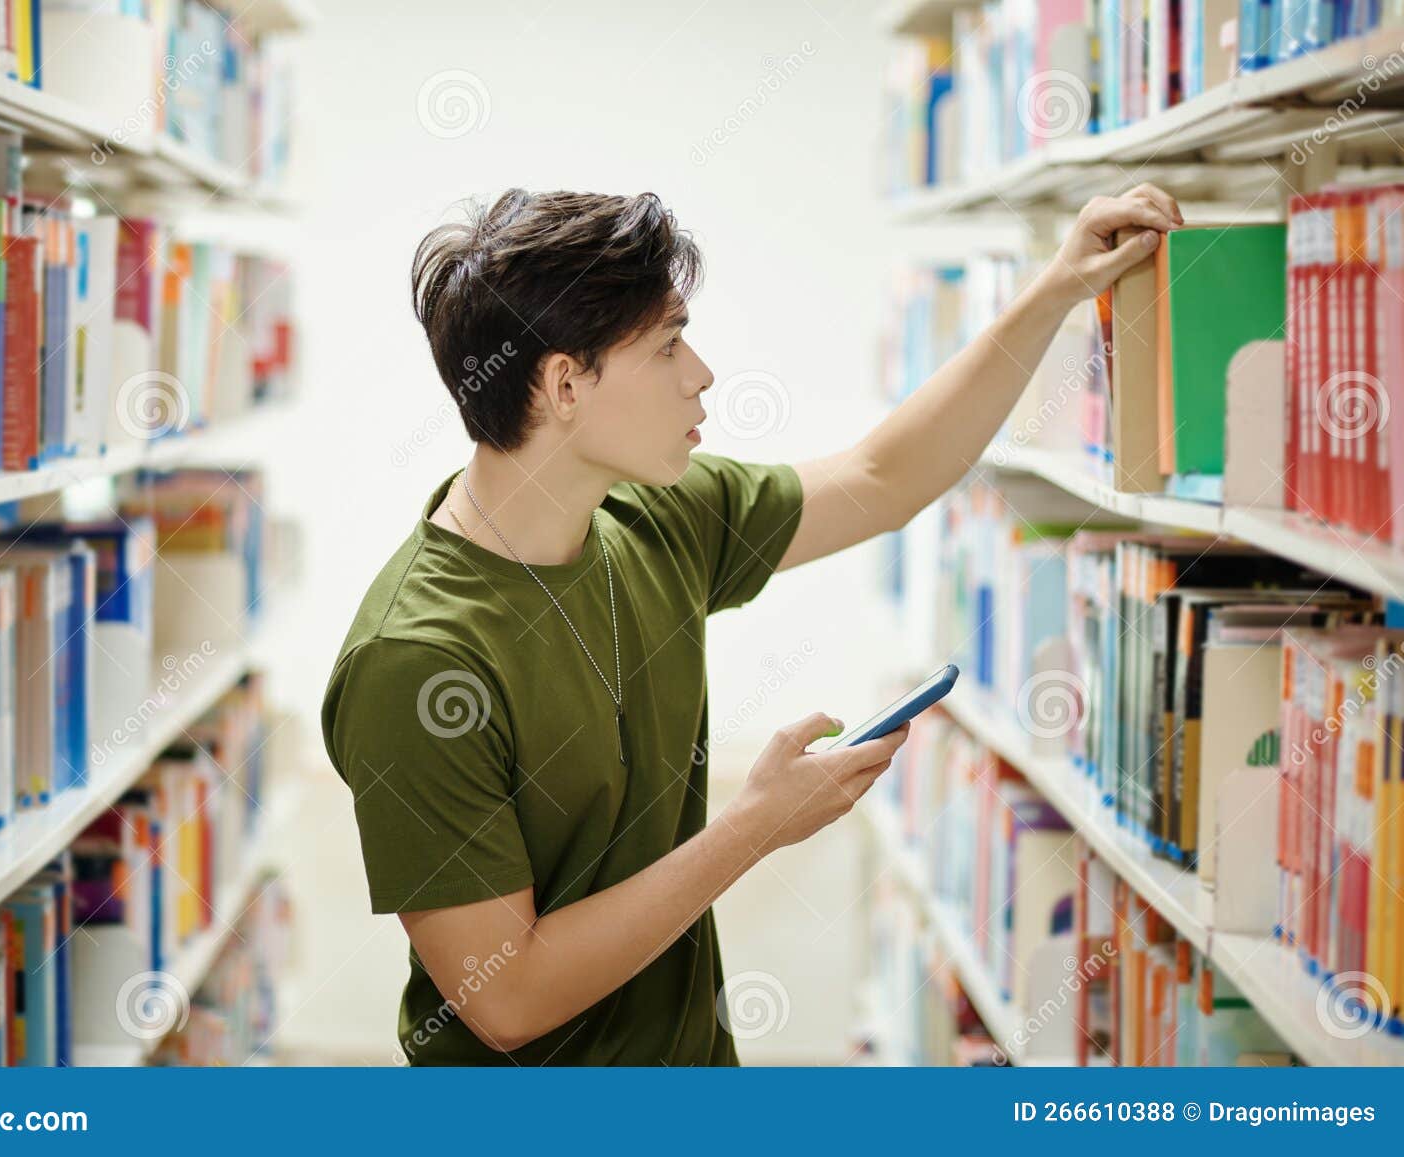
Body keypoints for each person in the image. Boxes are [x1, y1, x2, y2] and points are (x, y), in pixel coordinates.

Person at [320, 183, 1183, 1065]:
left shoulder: (650, 516)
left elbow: (885, 478)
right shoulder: (415, 662)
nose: (700, 373)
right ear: (565, 382)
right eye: (667, 346)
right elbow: (506, 998)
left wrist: (1057, 288)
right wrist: (754, 826)